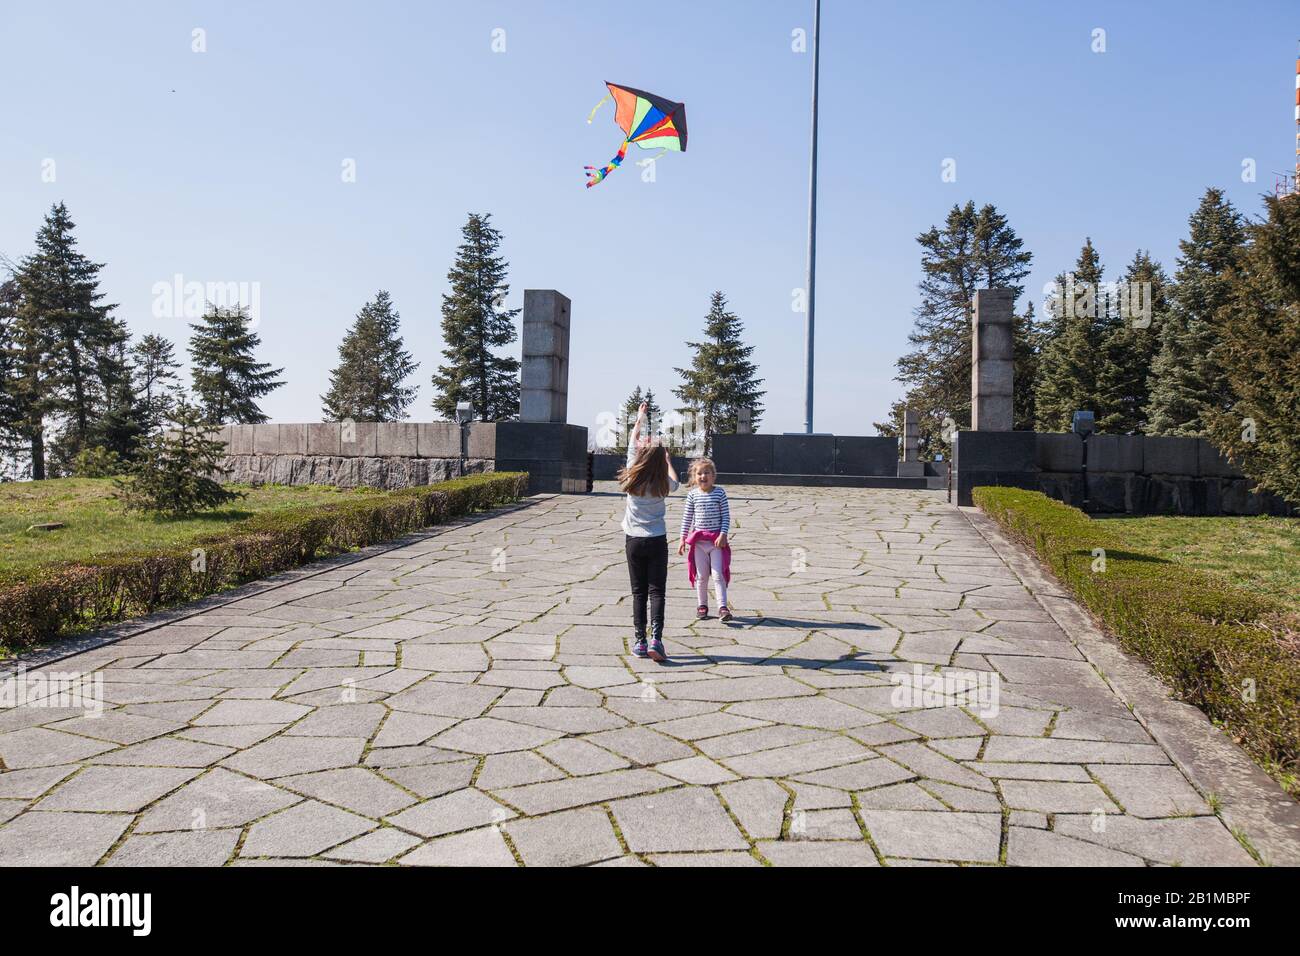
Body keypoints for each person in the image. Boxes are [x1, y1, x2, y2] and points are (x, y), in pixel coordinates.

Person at [617, 401, 679, 661]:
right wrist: (667, 461)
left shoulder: (632, 473)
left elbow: (633, 438)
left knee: (638, 592)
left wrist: (640, 417)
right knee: (657, 591)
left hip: (633, 540)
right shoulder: (662, 481)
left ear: (641, 456)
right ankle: (657, 639)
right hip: (656, 540)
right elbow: (676, 483)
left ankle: (640, 642)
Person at [678, 457, 732, 621]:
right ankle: (702, 605)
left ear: (713, 475)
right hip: (699, 543)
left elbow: (726, 516)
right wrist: (682, 539)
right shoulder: (692, 495)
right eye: (699, 473)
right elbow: (687, 518)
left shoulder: (719, 493)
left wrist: (723, 534)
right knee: (701, 576)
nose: (703, 476)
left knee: (717, 575)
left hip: (716, 542)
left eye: (707, 472)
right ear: (694, 477)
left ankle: (722, 607)